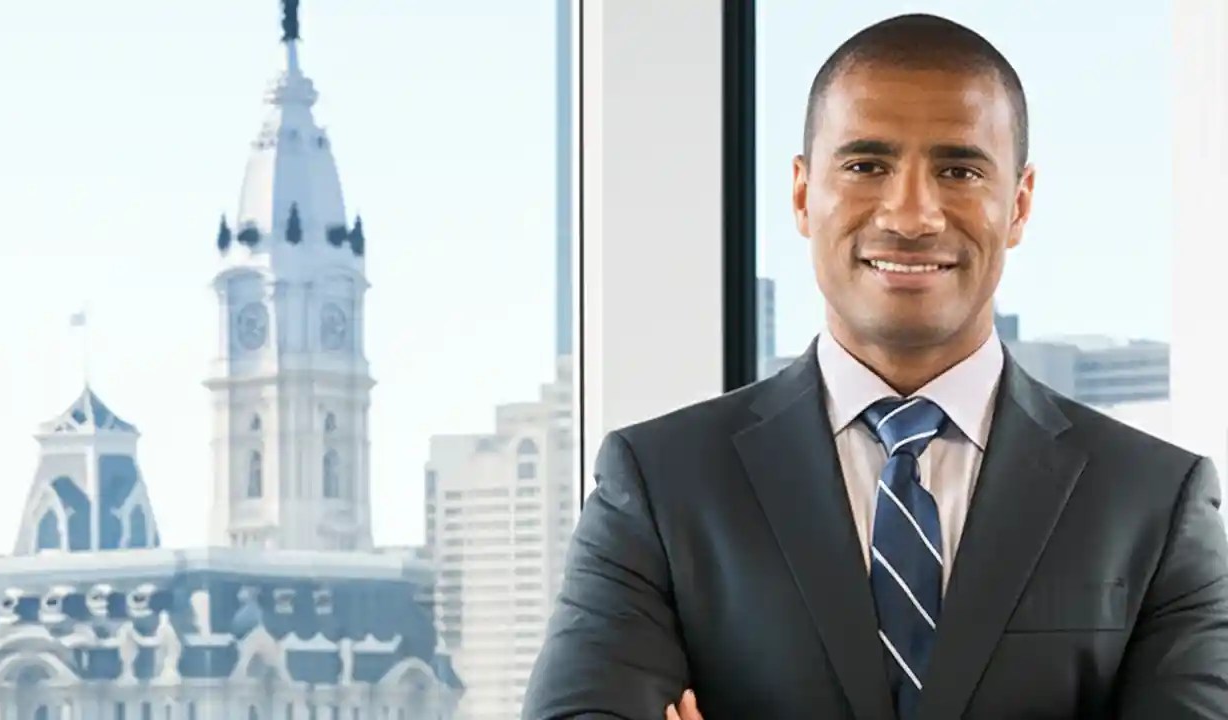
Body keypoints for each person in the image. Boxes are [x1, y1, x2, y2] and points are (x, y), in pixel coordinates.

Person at [522, 11, 1228, 720]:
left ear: (1019, 204)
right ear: (802, 194)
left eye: (958, 169)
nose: (912, 213)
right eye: (866, 166)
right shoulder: (659, 486)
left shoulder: (1154, 505)